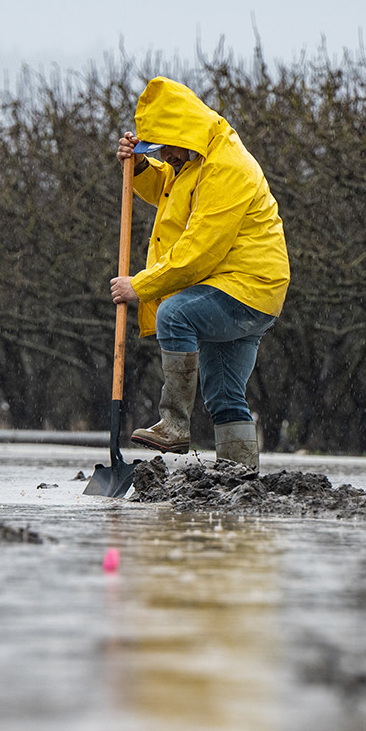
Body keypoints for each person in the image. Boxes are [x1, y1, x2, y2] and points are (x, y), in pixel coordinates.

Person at [111, 77, 290, 471]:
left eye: (165, 146)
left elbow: (199, 253)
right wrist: (139, 167)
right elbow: (169, 191)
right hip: (246, 290)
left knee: (175, 314)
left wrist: (140, 286)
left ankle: (174, 424)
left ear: (183, 133)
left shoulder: (227, 166)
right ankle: (240, 478)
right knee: (224, 393)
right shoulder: (195, 157)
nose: (165, 156)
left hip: (245, 286)